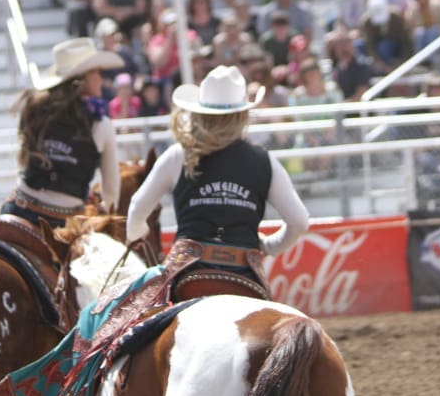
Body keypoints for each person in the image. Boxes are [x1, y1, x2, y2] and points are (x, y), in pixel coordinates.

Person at [126, 64, 310, 293]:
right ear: (242, 114)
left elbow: (136, 209)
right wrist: (270, 246)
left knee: (129, 318)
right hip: (245, 272)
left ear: (199, 112)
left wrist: (136, 238)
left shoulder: (178, 155)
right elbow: (299, 221)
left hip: (186, 270)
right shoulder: (264, 161)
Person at [0, 37, 122, 225]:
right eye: (96, 72)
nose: (100, 78)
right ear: (83, 78)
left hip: (20, 207)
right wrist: (109, 209)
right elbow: (112, 190)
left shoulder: (35, 109)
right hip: (64, 221)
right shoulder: (101, 124)